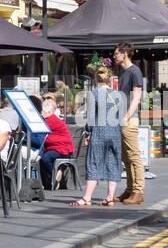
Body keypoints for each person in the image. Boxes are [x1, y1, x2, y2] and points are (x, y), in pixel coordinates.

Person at [71, 66, 124, 207]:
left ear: (96, 79)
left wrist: (88, 132)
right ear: (109, 79)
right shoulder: (117, 95)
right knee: (113, 163)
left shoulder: (94, 94)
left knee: (93, 162)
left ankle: (87, 198)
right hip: (115, 133)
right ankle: (109, 198)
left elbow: (91, 117)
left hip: (99, 132)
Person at [114, 43, 146, 205]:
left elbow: (136, 97)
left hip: (129, 119)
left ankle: (138, 192)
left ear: (124, 54)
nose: (115, 56)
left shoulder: (135, 71)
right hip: (122, 118)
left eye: (117, 53)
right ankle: (129, 190)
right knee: (126, 157)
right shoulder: (123, 72)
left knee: (134, 156)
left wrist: (126, 116)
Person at [38, 97, 76, 189]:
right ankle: (47, 182)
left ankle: (53, 177)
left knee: (44, 158)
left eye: (42, 111)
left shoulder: (51, 120)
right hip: (57, 148)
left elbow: (40, 133)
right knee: (42, 158)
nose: (40, 113)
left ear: (48, 112)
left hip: (63, 149)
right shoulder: (50, 119)